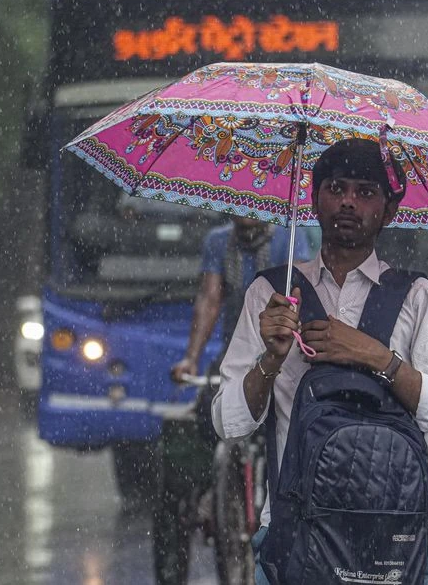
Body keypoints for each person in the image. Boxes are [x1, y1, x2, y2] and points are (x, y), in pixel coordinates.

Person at [210, 138, 428, 584]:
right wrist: (270, 360)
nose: (349, 201)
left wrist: (375, 356)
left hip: (390, 535)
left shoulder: (418, 298)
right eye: (336, 188)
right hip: (295, 534)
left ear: (388, 212)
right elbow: (228, 422)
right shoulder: (270, 295)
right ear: (313, 201)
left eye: (366, 192)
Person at [153, 216, 312, 585]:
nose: (246, 213)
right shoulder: (217, 242)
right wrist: (191, 357)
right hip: (235, 357)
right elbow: (210, 299)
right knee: (208, 411)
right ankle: (214, 493)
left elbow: (299, 293)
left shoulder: (291, 240)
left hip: (282, 357)